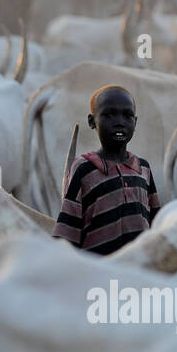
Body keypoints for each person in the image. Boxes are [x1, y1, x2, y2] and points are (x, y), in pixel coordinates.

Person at [53, 85, 160, 254]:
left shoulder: (143, 168)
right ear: (92, 121)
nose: (119, 122)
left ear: (135, 122)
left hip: (138, 265)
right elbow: (67, 232)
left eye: (127, 115)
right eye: (109, 115)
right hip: (97, 267)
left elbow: (157, 223)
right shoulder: (84, 169)